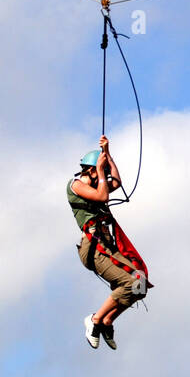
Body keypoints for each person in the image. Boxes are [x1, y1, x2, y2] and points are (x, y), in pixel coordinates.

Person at [67, 136, 148, 349]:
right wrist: (102, 171)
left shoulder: (97, 182)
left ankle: (107, 320)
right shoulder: (76, 185)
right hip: (94, 250)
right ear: (91, 171)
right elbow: (102, 196)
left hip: (108, 246)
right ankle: (94, 320)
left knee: (140, 283)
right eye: (100, 170)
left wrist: (108, 155)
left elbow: (117, 182)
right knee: (130, 284)